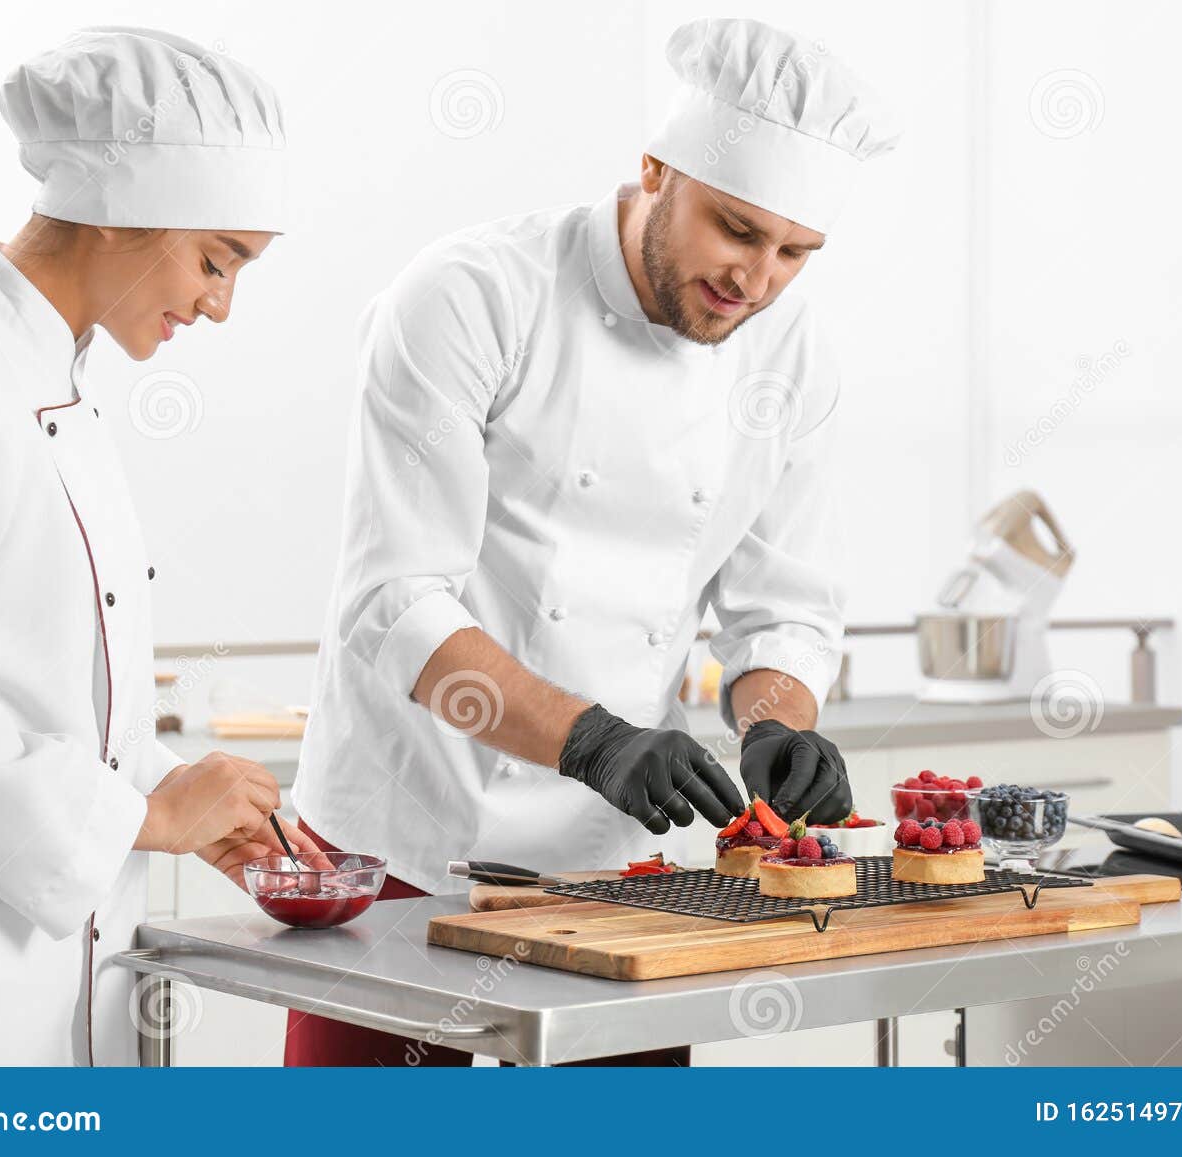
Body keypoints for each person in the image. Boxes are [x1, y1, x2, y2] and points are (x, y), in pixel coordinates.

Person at [291, 16, 896, 1066]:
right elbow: (398, 601)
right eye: (736, 230)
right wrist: (595, 741)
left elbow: (780, 610)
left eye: (796, 252)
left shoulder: (790, 360)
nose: (757, 279)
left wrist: (770, 724)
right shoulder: (472, 297)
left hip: (609, 864)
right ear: (655, 168)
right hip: (404, 833)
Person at [0, 28, 312, 1066]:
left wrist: (178, 796)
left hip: (41, 990)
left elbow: (35, 698)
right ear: (123, 215)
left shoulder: (48, 384)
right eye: (217, 259)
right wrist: (140, 815)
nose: (221, 304)